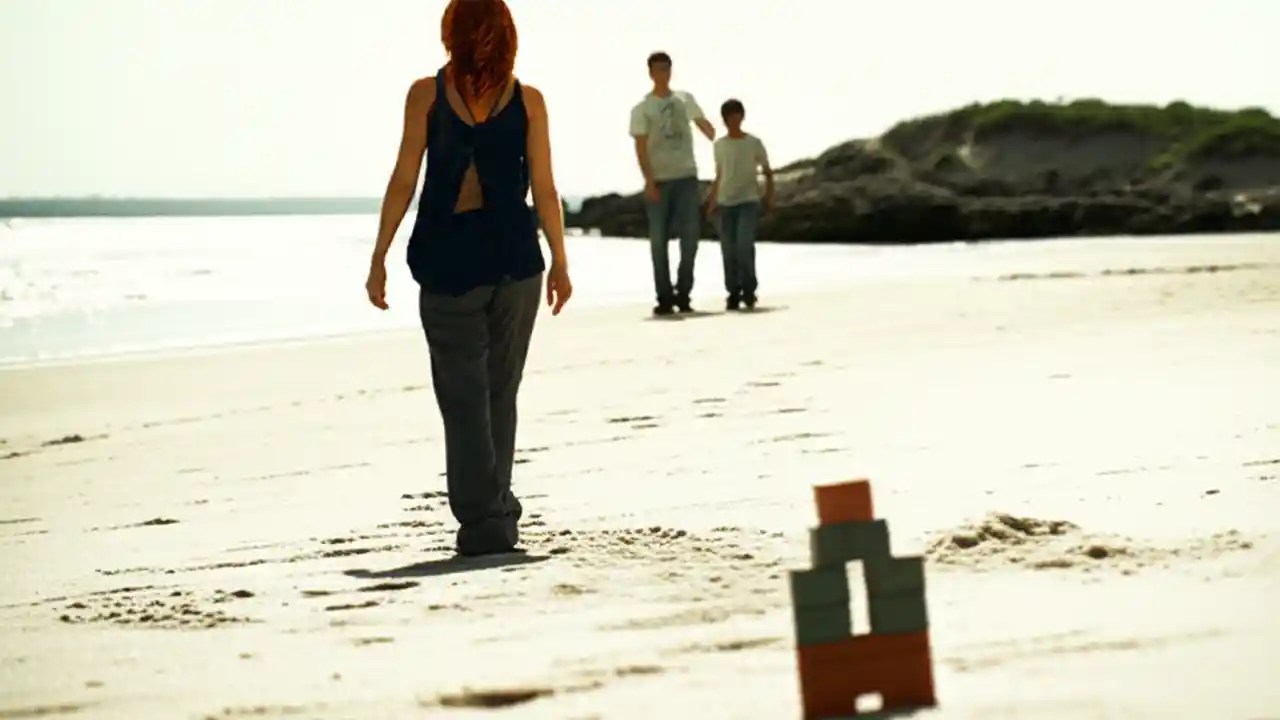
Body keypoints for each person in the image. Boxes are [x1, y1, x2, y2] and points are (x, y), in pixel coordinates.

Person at [363, 0, 572, 557]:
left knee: (470, 399)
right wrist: (559, 259)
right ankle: (494, 511)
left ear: (449, 33)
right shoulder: (513, 101)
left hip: (470, 264)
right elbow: (544, 190)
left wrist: (380, 255)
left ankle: (485, 519)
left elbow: (406, 177)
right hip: (500, 263)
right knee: (494, 396)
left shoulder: (440, 96)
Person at [629, 52, 716, 316]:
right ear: (650, 72)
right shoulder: (642, 108)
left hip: (687, 176)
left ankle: (684, 292)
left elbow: (707, 128)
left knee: (690, 238)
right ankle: (664, 297)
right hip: (660, 180)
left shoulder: (684, 99)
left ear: (671, 70)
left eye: (666, 69)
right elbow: (641, 148)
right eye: (657, 69)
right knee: (658, 242)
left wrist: (711, 130)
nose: (662, 74)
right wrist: (649, 181)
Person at [706, 98, 773, 311]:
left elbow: (767, 171)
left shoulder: (753, 142)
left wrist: (770, 196)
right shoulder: (719, 146)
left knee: (744, 246)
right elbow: (719, 175)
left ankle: (749, 290)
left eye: (736, 116)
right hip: (726, 202)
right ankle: (733, 292)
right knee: (728, 249)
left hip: (748, 201)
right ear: (724, 120)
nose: (732, 121)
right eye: (728, 118)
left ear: (742, 117)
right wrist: (712, 201)